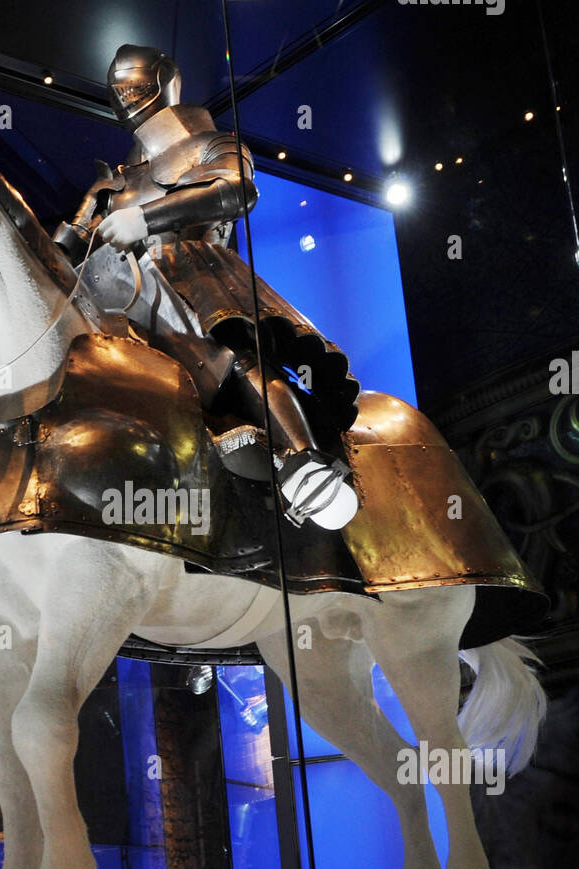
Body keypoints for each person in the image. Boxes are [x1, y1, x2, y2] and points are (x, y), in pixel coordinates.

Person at [54, 44, 361, 530]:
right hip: (118, 297)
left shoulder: (208, 144)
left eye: (136, 86)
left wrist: (145, 217)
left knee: (235, 351)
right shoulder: (108, 184)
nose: (127, 97)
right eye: (120, 90)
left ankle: (302, 463)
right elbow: (60, 255)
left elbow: (235, 190)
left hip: (192, 268)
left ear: (163, 84)